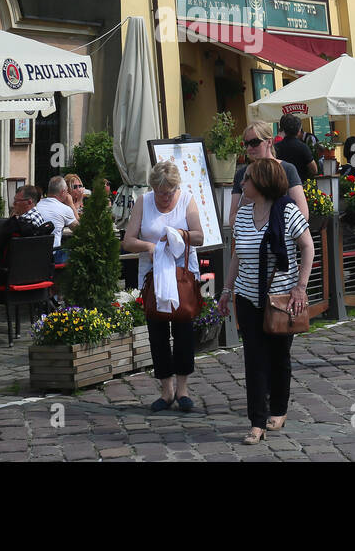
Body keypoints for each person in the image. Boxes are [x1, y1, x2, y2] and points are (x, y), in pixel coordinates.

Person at [216, 158, 313, 444]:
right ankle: (256, 422)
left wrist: (301, 287)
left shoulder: (287, 212)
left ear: (261, 183)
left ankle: (279, 408)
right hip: (247, 298)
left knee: (278, 357)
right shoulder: (244, 215)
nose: (241, 183)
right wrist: (226, 290)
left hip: (281, 299)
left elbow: (307, 247)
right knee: (254, 359)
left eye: (246, 179)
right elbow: (236, 255)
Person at [122, 160, 204, 413]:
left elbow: (199, 236)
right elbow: (128, 241)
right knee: (157, 331)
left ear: (175, 188)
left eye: (168, 192)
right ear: (153, 188)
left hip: (182, 277)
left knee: (183, 330)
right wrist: (149, 247)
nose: (164, 197)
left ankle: (183, 389)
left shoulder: (186, 200)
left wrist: (179, 234)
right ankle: (166, 390)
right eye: (160, 192)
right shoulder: (143, 202)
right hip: (153, 277)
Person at [228, 121, 309, 226]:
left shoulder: (287, 169)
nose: (249, 148)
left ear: (269, 142)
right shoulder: (242, 174)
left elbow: (303, 214)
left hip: (281, 237)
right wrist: (246, 201)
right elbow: (232, 220)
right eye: (246, 144)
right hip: (251, 239)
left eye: (254, 142)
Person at [274, 114, 317, 178]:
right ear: (299, 131)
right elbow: (314, 170)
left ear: (284, 130)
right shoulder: (303, 147)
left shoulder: (276, 147)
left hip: (282, 183)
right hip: (301, 182)